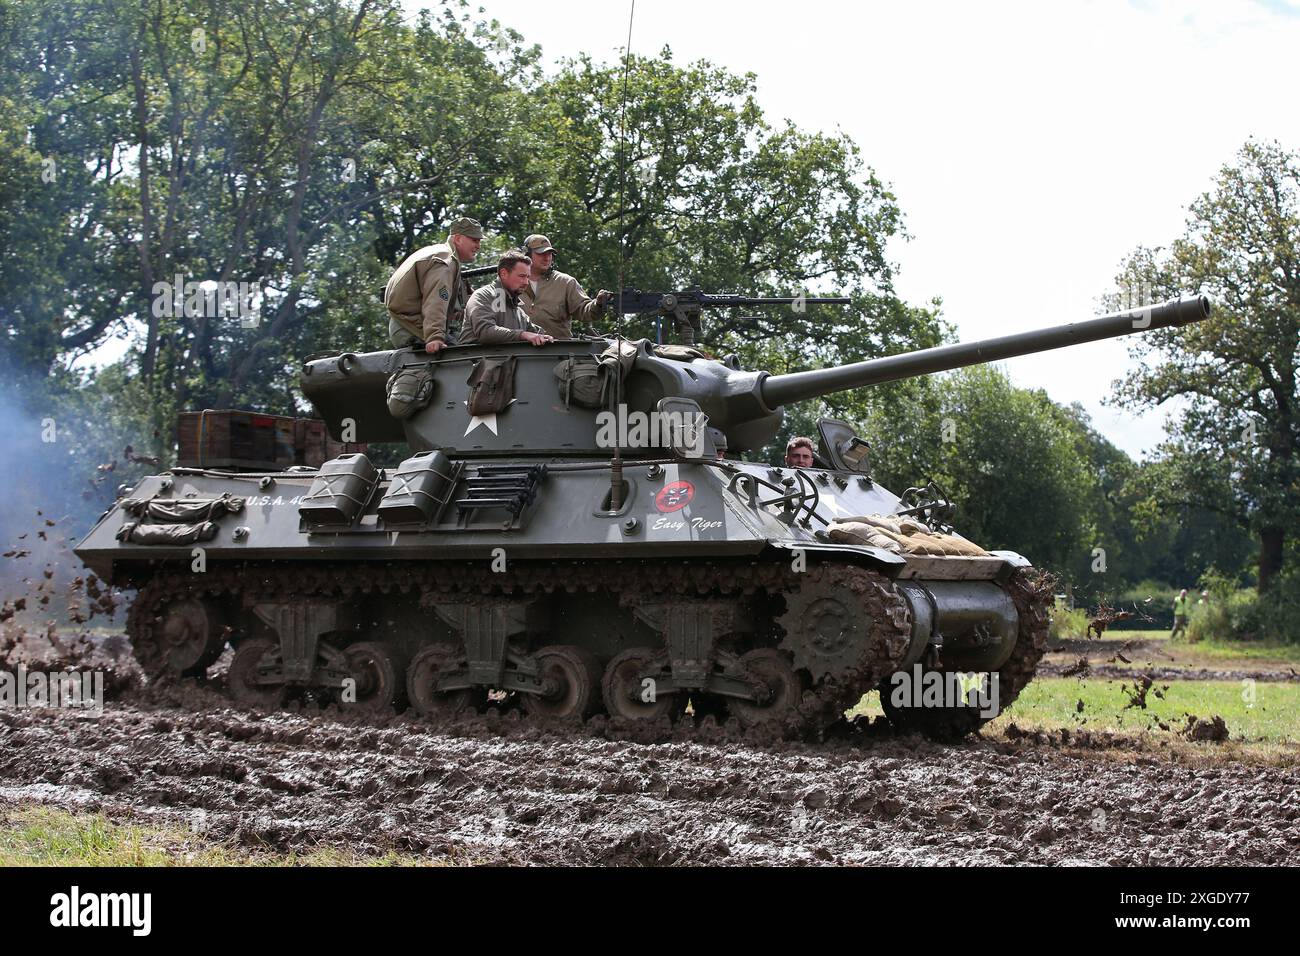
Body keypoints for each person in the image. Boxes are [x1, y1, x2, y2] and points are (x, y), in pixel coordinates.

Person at [384, 217, 484, 352]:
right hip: (413, 331)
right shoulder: (444, 263)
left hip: (411, 327)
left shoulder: (442, 254)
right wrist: (435, 337)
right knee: (472, 354)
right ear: (458, 239)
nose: (478, 246)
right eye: (474, 240)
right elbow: (436, 301)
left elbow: (456, 307)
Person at [518, 234, 611, 338]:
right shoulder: (512, 281)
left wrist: (598, 304)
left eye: (550, 253)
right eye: (541, 253)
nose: (547, 258)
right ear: (527, 255)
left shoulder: (565, 282)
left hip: (557, 349)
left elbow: (585, 311)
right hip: (516, 350)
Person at [463, 250, 555, 346]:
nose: (526, 282)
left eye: (528, 277)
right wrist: (523, 335)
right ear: (504, 274)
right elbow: (485, 332)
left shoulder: (518, 310)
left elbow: (533, 332)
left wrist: (544, 337)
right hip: (475, 359)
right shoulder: (483, 296)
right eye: (522, 276)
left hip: (504, 359)